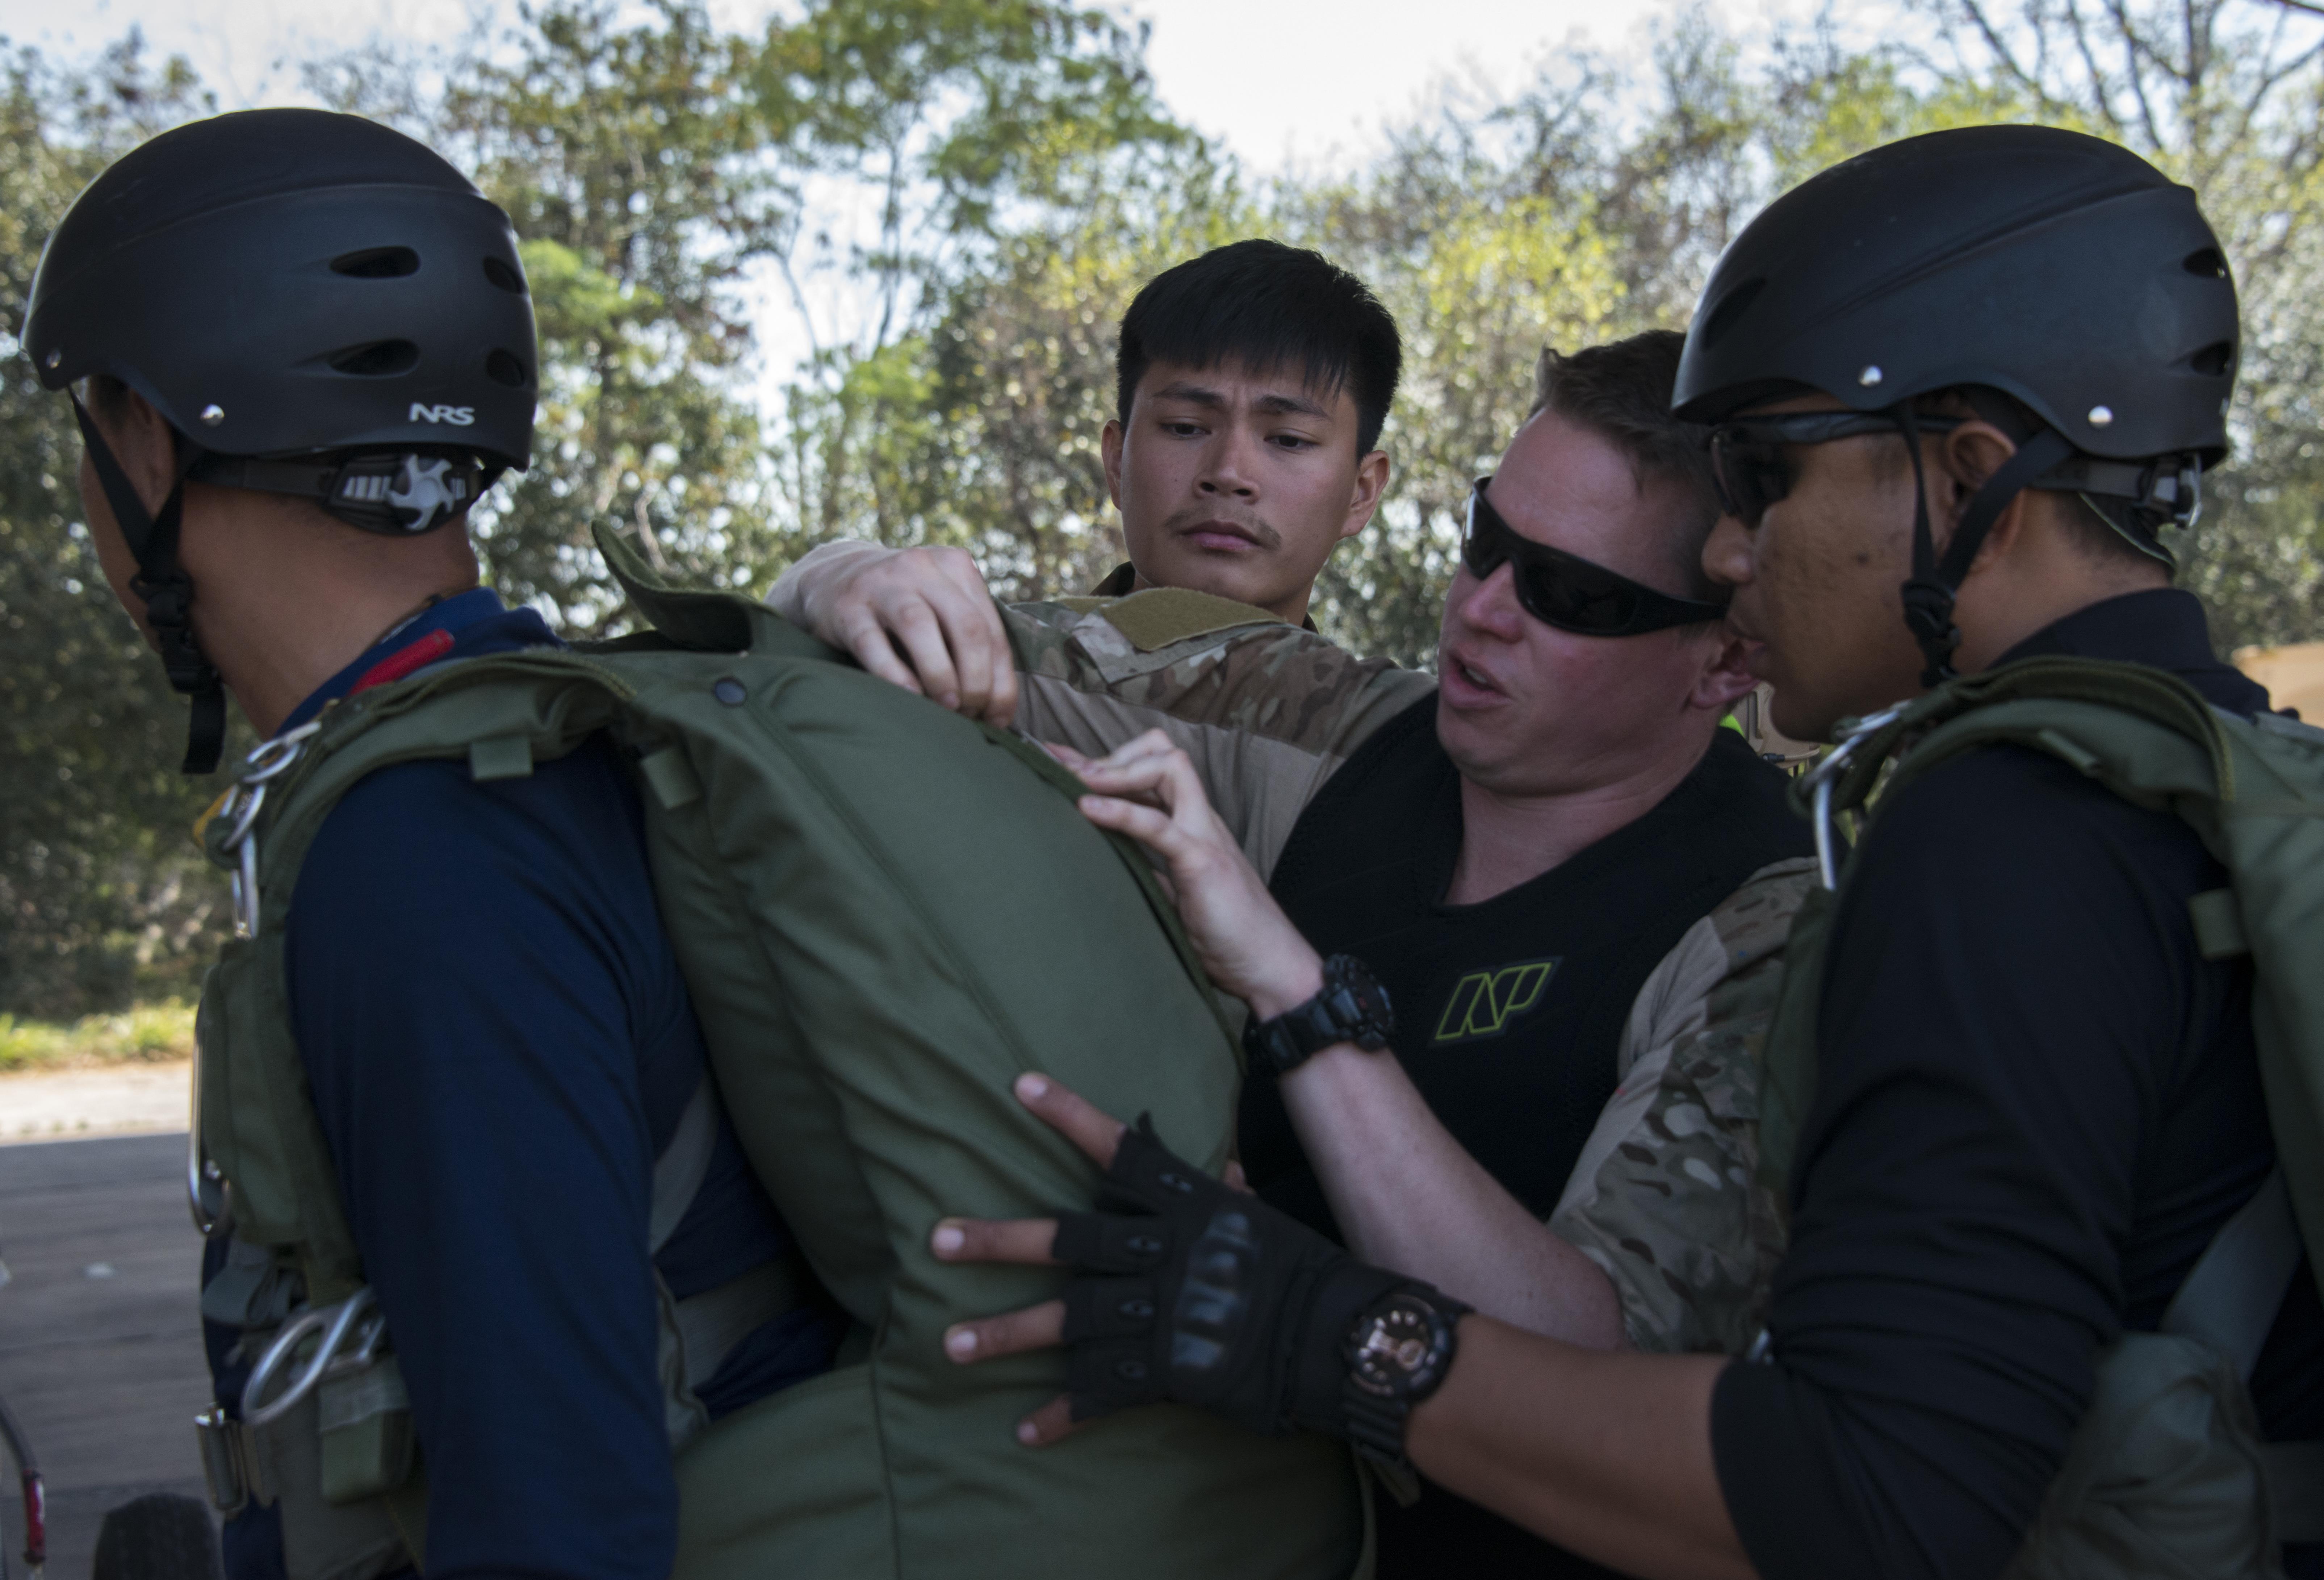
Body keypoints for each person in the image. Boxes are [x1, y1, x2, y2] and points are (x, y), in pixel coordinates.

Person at [927, 124, 2324, 1580]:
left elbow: (1876, 1497)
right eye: (1484, 541)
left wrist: (1308, 1322)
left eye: (1770, 477)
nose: (1735, 550)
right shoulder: (2178, 773)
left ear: (1966, 476)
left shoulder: (2006, 836)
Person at [772, 330, 1819, 1574]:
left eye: (1573, 598)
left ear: (1726, 658)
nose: (1482, 615)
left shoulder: (1764, 931)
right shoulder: (1336, 724)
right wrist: (854, 573)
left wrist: (1299, 994)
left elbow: (1588, 1388)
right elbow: (943, 633)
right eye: (1487, 540)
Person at [25, 109, 837, 1580]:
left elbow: (557, 1524)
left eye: (89, 424)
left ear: (147, 436)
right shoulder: (532, 748)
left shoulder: (432, 856)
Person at [770, 237, 1398, 717]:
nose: (1229, 474)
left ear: (1361, 491)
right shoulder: (978, 664)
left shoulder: (1385, 741)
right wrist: (825, 574)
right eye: (1185, 427)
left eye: (1287, 439)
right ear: (1116, 461)